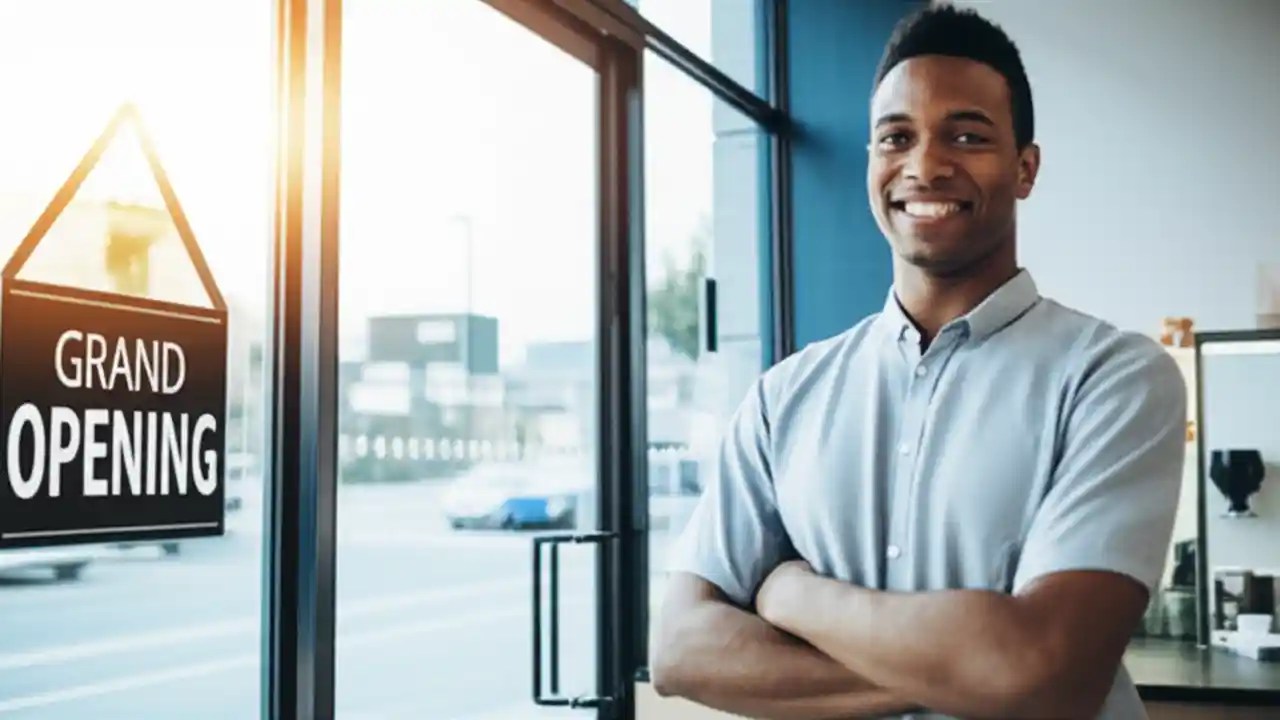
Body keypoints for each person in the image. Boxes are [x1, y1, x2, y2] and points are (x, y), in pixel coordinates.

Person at [651, 6, 1186, 720]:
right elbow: (681, 650)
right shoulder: (786, 397)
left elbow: (1048, 676)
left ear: (1025, 168)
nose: (926, 165)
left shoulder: (1115, 379)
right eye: (896, 137)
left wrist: (793, 594)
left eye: (967, 136)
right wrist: (974, 666)